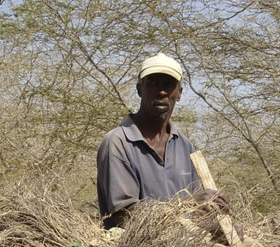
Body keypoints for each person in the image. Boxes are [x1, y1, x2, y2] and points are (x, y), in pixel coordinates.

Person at [96, 53, 228, 230]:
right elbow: (125, 216)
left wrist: (219, 220)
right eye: (153, 83)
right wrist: (187, 205)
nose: (162, 92)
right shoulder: (118, 142)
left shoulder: (185, 146)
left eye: (168, 84)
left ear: (179, 93)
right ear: (139, 89)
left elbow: (198, 212)